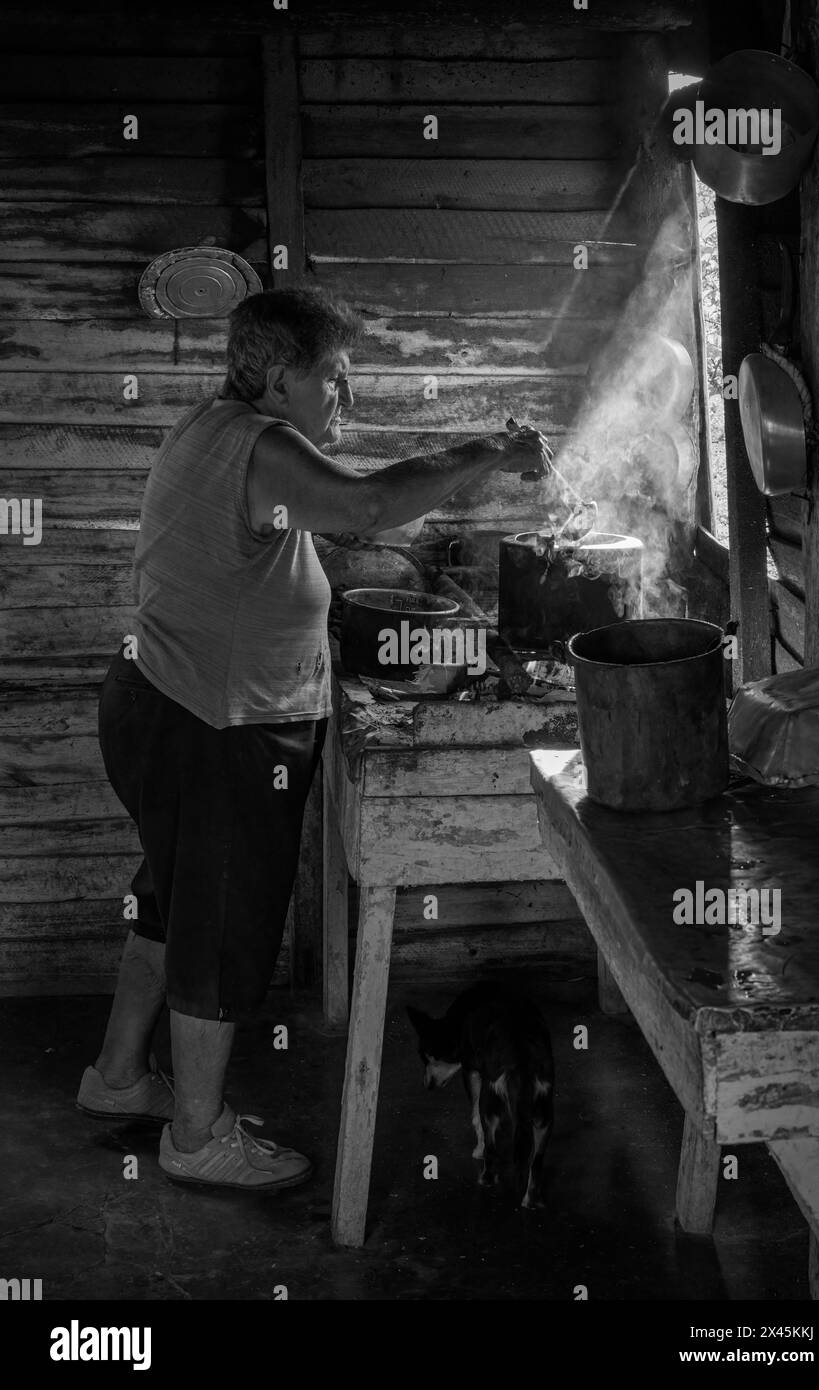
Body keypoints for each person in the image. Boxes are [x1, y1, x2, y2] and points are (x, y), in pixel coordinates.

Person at [76, 286, 552, 1190]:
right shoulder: (262, 446)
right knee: (217, 931)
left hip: (158, 704)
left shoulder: (208, 427)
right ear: (282, 377)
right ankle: (196, 1137)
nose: (349, 397)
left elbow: (300, 528)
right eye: (336, 379)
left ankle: (118, 1077)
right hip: (215, 727)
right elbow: (368, 509)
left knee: (172, 906)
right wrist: (488, 448)